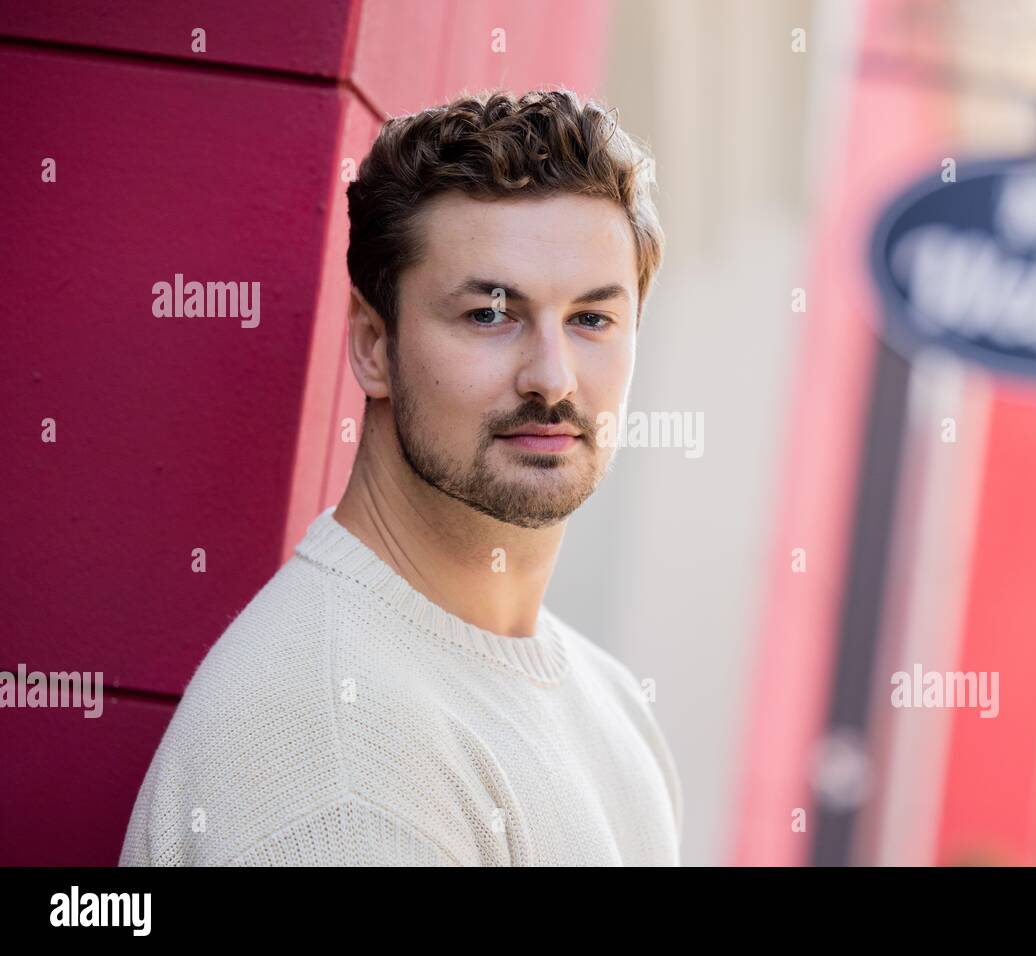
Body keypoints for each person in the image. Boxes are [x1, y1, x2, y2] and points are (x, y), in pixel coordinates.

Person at [119, 88, 681, 865]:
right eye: (490, 313)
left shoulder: (612, 703)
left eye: (592, 319)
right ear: (374, 346)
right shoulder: (332, 751)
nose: (552, 379)